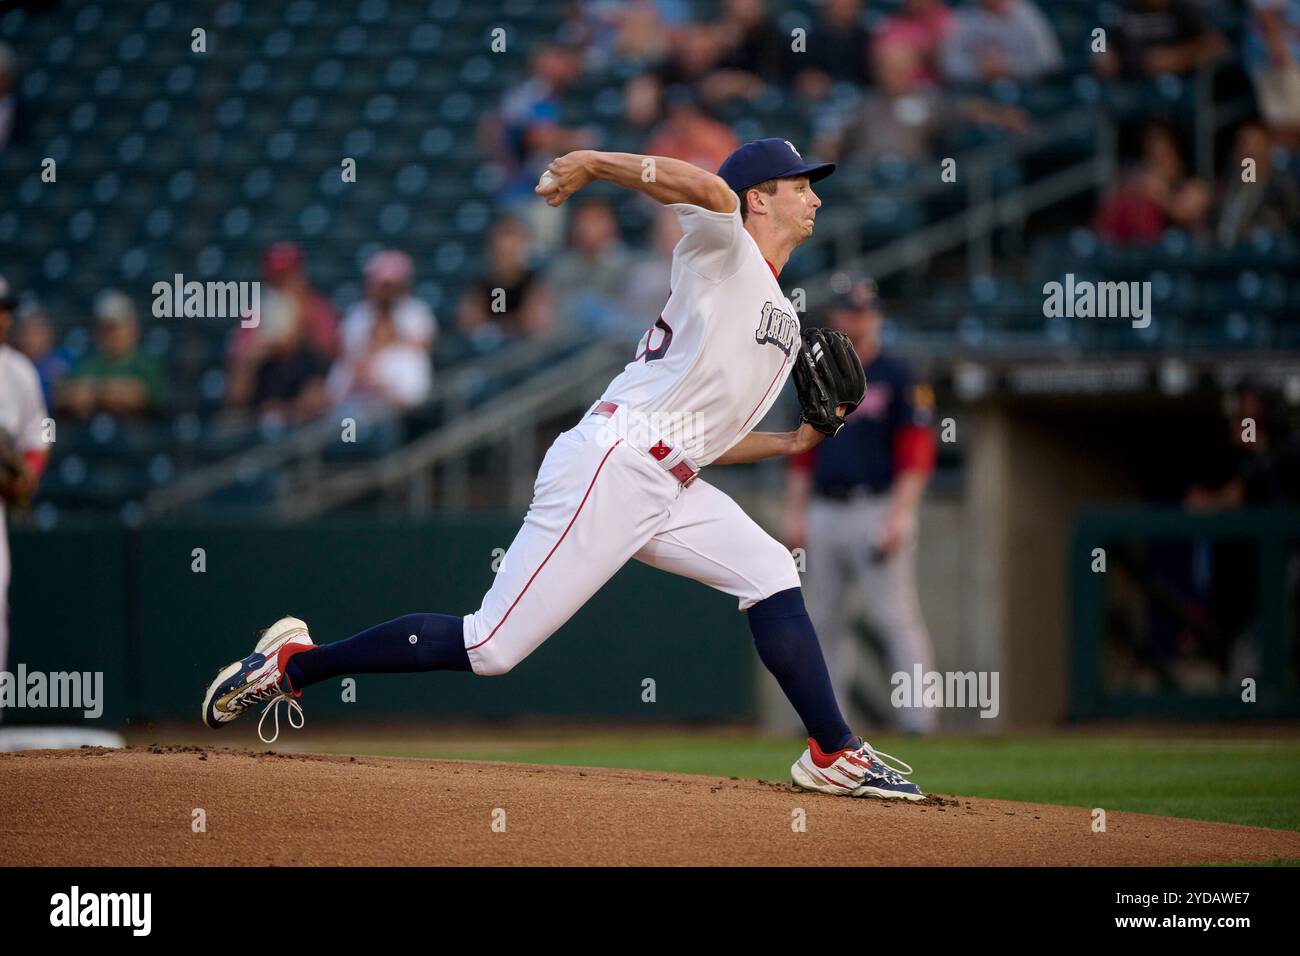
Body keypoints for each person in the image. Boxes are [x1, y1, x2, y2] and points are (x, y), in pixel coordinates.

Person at [201, 139, 924, 801]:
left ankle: (834, 752)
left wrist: (792, 441)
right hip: (615, 460)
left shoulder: (787, 322)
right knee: (490, 646)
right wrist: (592, 161)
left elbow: (705, 439)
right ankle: (295, 665)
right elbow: (703, 186)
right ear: (759, 197)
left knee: (770, 569)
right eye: (801, 185)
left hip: (669, 475)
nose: (816, 198)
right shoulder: (724, 242)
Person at [785, 279, 938, 734]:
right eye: (845, 312)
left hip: (877, 505)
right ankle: (827, 725)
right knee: (823, 621)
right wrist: (795, 514)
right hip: (826, 510)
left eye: (861, 311)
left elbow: (916, 452)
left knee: (895, 617)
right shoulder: (820, 371)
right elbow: (803, 450)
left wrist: (901, 515)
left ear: (876, 316)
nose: (852, 319)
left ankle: (919, 720)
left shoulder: (899, 373)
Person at [0, 277, 50, 702]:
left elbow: (40, 433)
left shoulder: (18, 371)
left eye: (5, 309)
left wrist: (29, 472)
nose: (2, 317)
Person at [330, 250, 436, 411]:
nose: (386, 292)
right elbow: (345, 352)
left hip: (394, 403)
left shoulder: (415, 311)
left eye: (390, 285)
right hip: (356, 400)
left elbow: (424, 344)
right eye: (382, 285)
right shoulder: (358, 313)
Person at [58, 290, 167, 419]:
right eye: (104, 328)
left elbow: (140, 396)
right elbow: (65, 396)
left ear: (133, 327)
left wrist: (93, 391)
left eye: (115, 327)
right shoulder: (88, 363)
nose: (110, 335)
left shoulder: (147, 362)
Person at [939, 0, 1062, 85]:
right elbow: (947, 63)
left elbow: (1049, 60)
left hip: (1025, 88)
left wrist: (1010, 67)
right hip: (975, 91)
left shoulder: (1027, 14)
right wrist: (977, 69)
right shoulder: (963, 15)